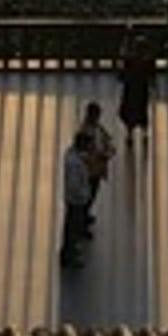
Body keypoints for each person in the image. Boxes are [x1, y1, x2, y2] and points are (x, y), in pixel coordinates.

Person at [60, 101, 114, 266]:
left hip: (87, 182)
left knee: (76, 218)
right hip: (79, 195)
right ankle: (71, 251)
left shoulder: (96, 130)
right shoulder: (79, 160)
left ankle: (80, 229)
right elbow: (76, 183)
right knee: (73, 224)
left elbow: (105, 139)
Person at [116, 27, 156, 143]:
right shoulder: (147, 62)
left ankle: (130, 134)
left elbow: (122, 75)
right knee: (142, 111)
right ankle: (144, 134)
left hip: (130, 89)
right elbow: (151, 76)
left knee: (130, 113)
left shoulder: (130, 60)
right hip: (141, 90)